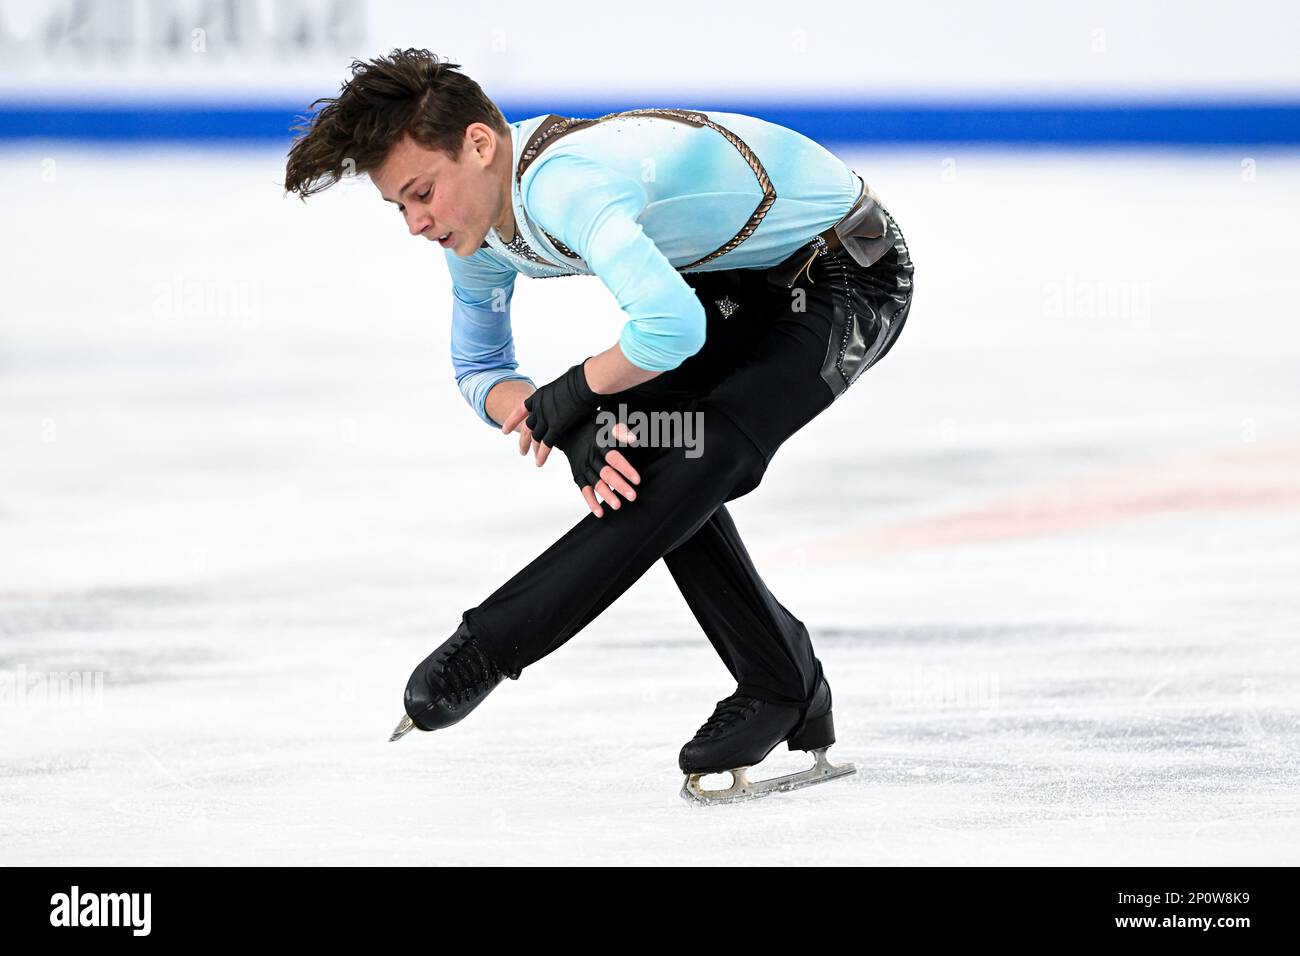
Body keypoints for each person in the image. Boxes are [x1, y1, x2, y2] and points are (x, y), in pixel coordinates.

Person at [283, 48, 914, 803]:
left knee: (705, 450)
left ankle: (492, 646)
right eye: (401, 207)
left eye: (422, 194)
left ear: (479, 145)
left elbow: (670, 326)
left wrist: (577, 395)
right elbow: (480, 370)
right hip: (740, 286)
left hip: (850, 273)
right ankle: (783, 680)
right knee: (637, 450)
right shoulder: (477, 232)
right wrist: (579, 424)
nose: (417, 224)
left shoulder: (562, 188)